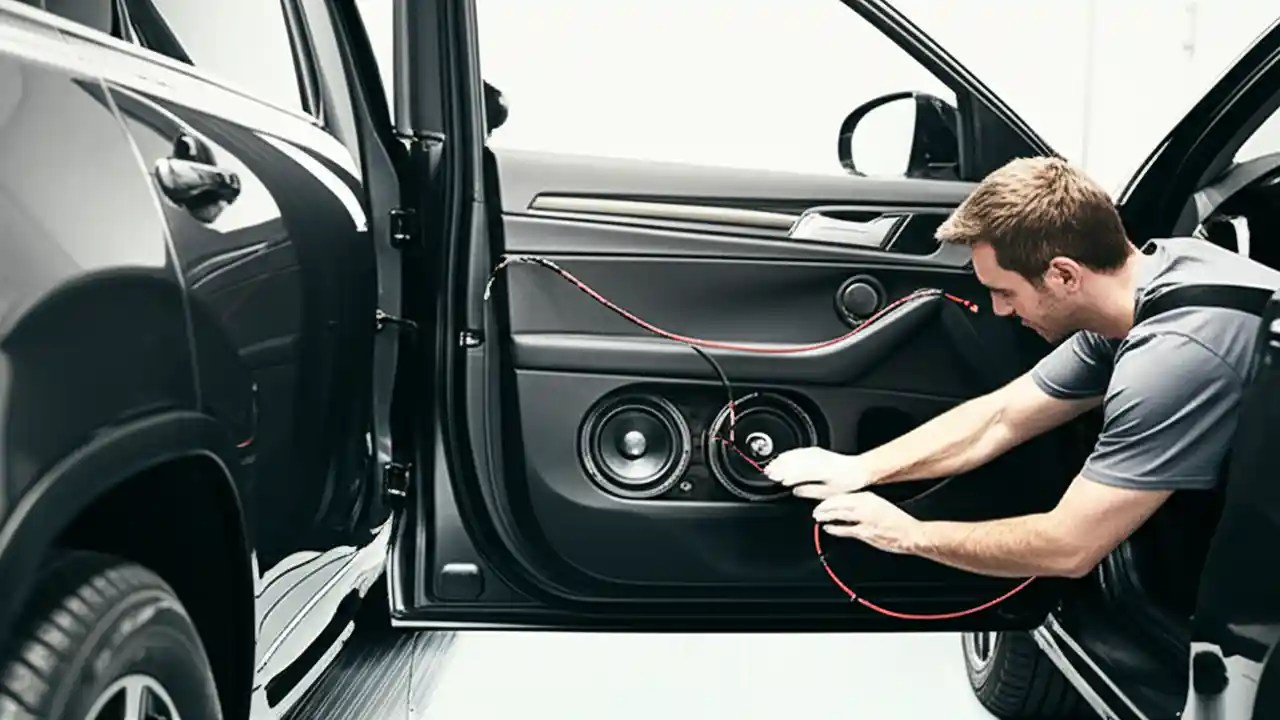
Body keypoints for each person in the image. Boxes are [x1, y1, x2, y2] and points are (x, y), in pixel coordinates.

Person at [763, 156, 1280, 579]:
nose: (999, 311)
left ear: (1063, 275)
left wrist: (907, 535)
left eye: (1005, 292)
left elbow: (1069, 548)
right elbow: (1004, 415)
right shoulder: (1157, 276)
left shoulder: (1171, 361)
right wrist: (862, 468)